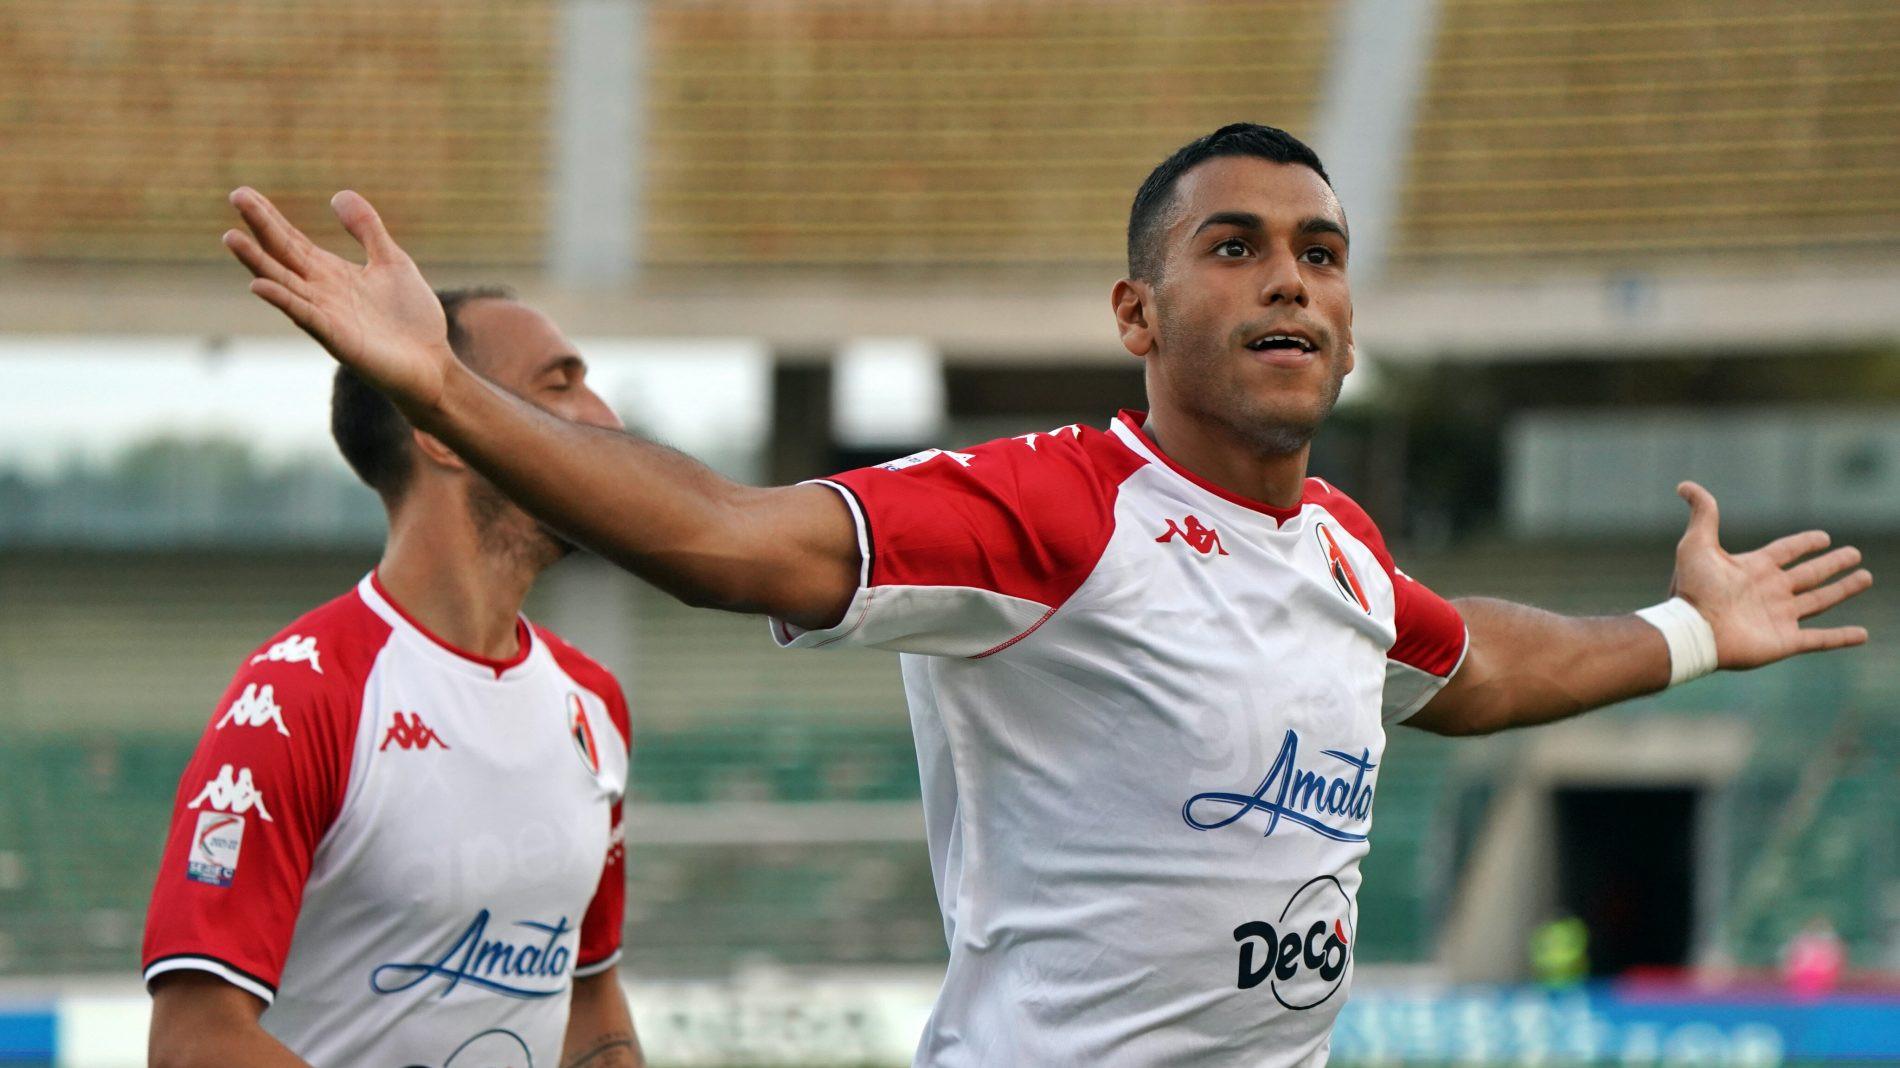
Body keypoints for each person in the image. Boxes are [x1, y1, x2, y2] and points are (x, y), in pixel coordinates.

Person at [219, 124, 1871, 1066]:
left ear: (1351, 326)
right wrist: (443, 385)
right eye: (1231, 245)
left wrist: (1684, 634)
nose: (1286, 272)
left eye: (1317, 249)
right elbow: (731, 535)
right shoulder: (1054, 509)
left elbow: (1476, 660)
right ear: (1137, 314)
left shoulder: (1345, 559)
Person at [142, 288, 647, 1068]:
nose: (606, 420)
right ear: (442, 432)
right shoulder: (298, 697)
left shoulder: (594, 701)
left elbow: (590, 993)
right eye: (559, 384)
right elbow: (193, 1044)